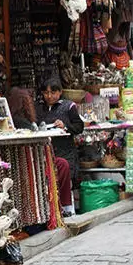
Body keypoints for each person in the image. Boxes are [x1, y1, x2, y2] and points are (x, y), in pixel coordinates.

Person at [35, 77, 84, 216]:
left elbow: (79, 127)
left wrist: (65, 126)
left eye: (52, 93)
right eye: (46, 93)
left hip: (65, 151)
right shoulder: (38, 107)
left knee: (63, 178)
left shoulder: (69, 106)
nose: (49, 96)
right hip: (45, 151)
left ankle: (66, 209)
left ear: (60, 92)